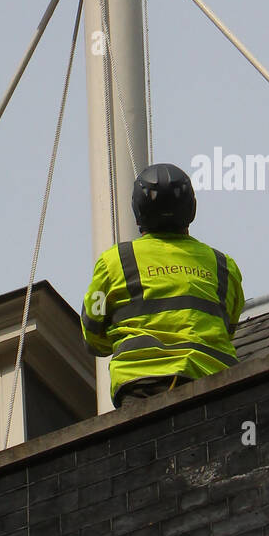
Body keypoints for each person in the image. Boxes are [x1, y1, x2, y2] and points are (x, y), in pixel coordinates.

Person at [82, 163, 244, 406]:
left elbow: (92, 332)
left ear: (138, 210)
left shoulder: (114, 262)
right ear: (191, 208)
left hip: (142, 384)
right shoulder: (222, 266)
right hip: (215, 384)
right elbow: (228, 327)